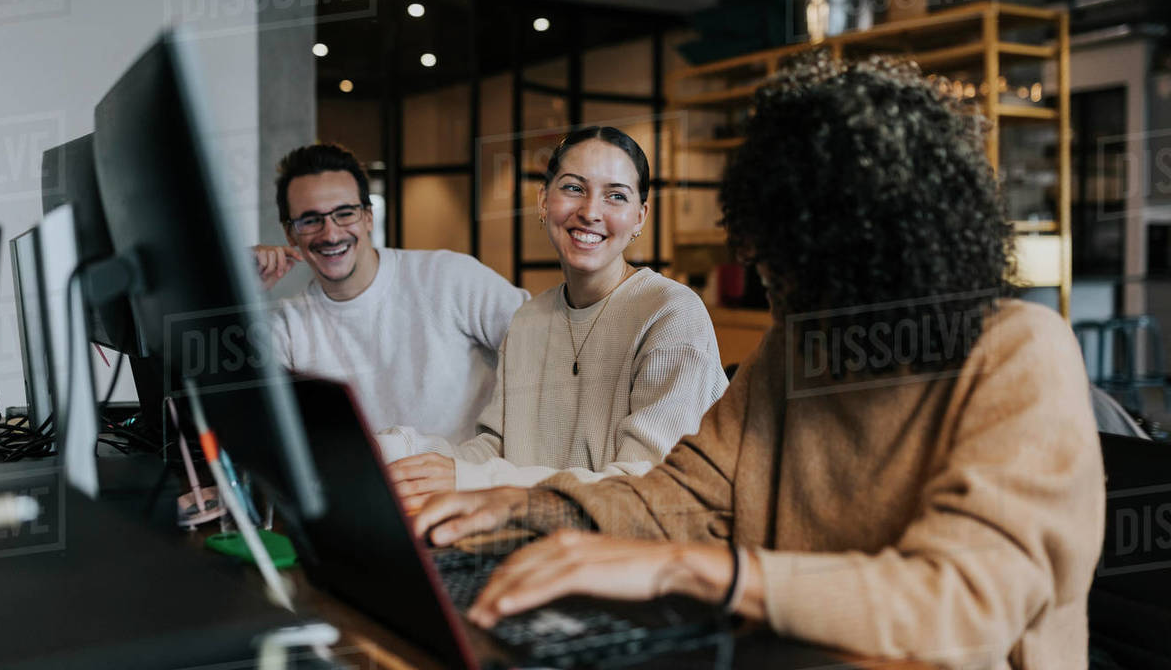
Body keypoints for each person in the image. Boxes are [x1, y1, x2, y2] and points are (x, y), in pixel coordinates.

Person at [411, 56, 1106, 669]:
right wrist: (532, 505)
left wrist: (700, 572)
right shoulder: (798, 345)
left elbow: (964, 603)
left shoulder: (1020, 352)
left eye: (794, 256)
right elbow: (684, 495)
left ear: (883, 246)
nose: (765, 271)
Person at [382, 127, 729, 510]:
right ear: (544, 200)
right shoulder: (528, 319)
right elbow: (498, 448)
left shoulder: (671, 313)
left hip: (635, 556)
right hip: (537, 534)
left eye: (616, 196)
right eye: (574, 188)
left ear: (640, 217)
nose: (591, 212)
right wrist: (408, 455)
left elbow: (642, 487)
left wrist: (471, 480)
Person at [259, 143, 528, 440]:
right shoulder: (286, 326)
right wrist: (244, 293)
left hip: (470, 479)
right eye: (310, 220)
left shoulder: (450, 277)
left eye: (345, 213)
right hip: (364, 484)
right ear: (289, 233)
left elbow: (546, 343)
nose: (331, 233)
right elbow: (242, 416)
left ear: (368, 217)